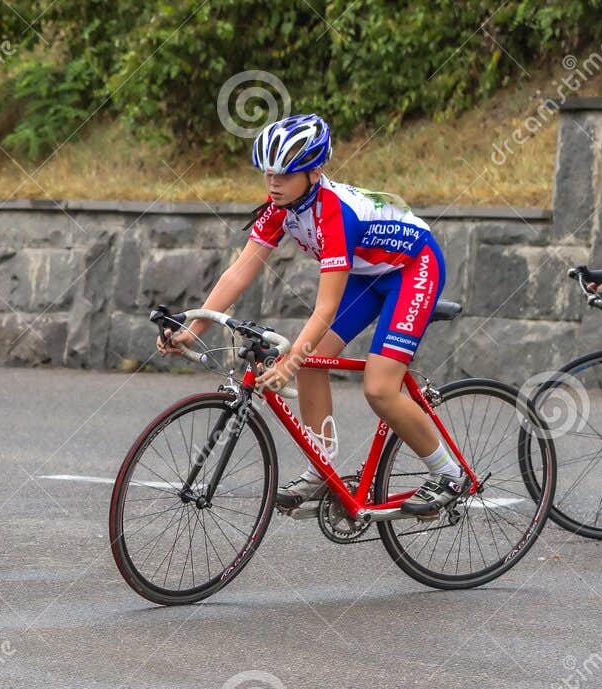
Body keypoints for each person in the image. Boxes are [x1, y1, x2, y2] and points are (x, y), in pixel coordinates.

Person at [159, 113, 458, 516]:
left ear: (313, 172)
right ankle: (323, 470)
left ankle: (448, 474)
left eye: (284, 175)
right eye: (268, 175)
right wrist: (193, 328)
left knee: (379, 388)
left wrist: (289, 361)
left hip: (412, 268)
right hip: (369, 273)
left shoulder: (335, 213)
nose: (273, 184)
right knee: (313, 362)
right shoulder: (280, 207)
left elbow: (326, 306)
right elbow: (240, 270)